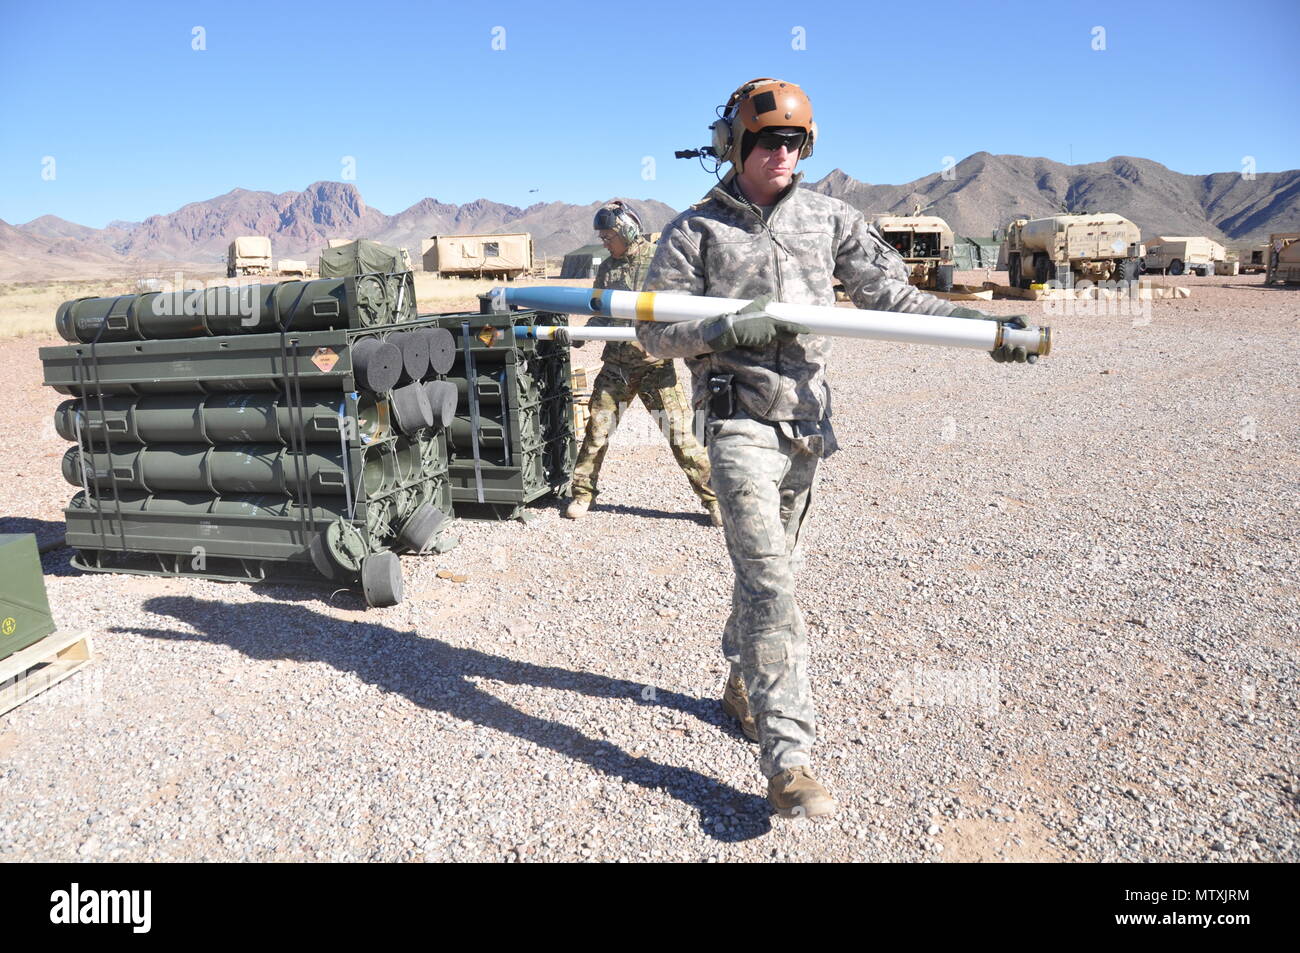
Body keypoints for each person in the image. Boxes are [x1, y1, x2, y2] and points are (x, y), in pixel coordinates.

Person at [637, 78, 1036, 819]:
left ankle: (742, 682)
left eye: (795, 142)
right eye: (767, 142)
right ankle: (789, 759)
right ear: (735, 145)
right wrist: (723, 330)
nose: (782, 154)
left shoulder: (830, 218)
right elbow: (652, 335)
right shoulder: (694, 232)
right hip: (737, 422)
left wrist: (986, 331)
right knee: (770, 581)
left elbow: (894, 297)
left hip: (808, 424)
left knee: (772, 571)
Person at [558, 200, 719, 524]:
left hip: (655, 365)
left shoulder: (658, 261)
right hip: (617, 366)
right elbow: (600, 311)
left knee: (681, 436)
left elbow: (680, 307)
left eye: (608, 236)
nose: (604, 242)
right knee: (596, 433)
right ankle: (582, 494)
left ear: (627, 230)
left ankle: (715, 501)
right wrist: (579, 334)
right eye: (601, 237)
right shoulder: (607, 268)